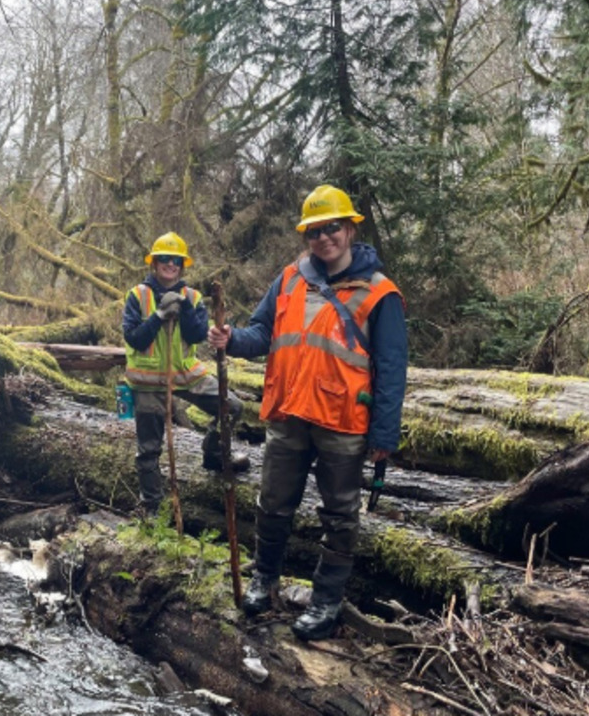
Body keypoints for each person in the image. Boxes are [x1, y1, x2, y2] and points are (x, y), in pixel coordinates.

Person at [207, 185, 407, 641]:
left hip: (343, 423)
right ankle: (264, 579)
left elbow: (393, 370)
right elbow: (261, 331)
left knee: (339, 514)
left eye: (331, 228)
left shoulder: (381, 294)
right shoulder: (290, 277)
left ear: (350, 228)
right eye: (314, 231)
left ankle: (325, 602)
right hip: (288, 412)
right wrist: (231, 339)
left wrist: (384, 437)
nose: (323, 238)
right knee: (274, 504)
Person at [122, 231, 250, 516]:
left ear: (182, 265)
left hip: (185, 373)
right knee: (149, 449)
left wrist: (186, 310)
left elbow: (195, 335)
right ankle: (152, 509)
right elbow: (134, 338)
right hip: (148, 380)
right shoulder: (137, 296)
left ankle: (214, 453)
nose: (171, 264)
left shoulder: (191, 296)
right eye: (165, 259)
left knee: (232, 405)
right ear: (154, 263)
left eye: (176, 260)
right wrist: (158, 316)